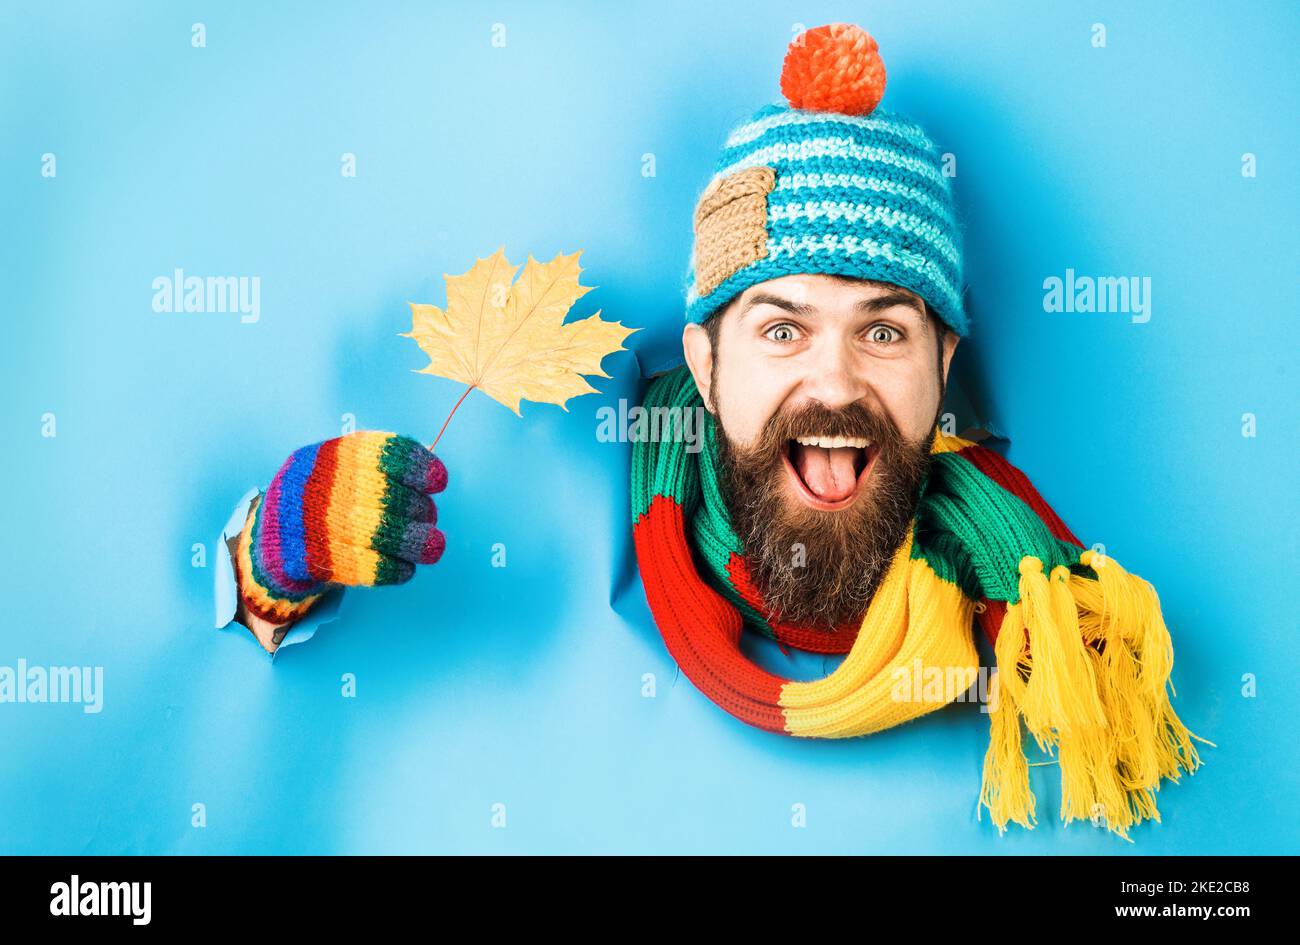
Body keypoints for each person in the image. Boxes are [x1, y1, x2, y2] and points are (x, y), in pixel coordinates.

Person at [217, 23, 1207, 839]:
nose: (835, 380)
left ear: (941, 367)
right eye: (781, 327)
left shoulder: (1049, 620)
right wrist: (272, 558)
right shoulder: (566, 511)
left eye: (883, 330)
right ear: (704, 362)